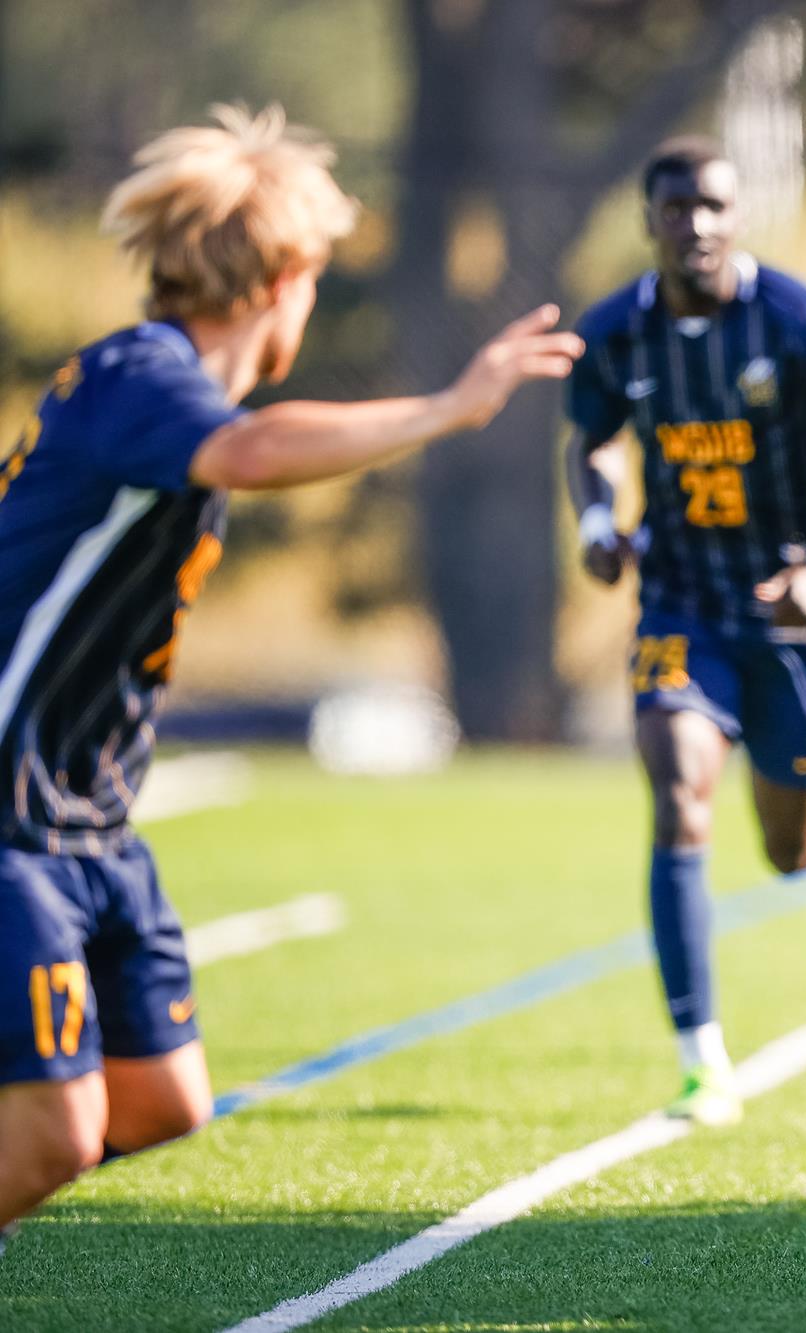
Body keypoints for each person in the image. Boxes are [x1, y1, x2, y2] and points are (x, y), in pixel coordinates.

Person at [0, 104, 582, 1243]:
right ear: (283, 278)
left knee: (161, 1100)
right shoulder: (140, 378)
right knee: (55, 1135)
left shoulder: (164, 398)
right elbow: (256, 451)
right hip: (10, 814)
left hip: (90, 818)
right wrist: (451, 407)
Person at [563, 136, 806, 1129]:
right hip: (682, 600)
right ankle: (700, 1058)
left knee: (792, 853)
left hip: (791, 611)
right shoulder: (616, 336)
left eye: (716, 206)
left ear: (738, 215)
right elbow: (587, 439)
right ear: (650, 220)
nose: (698, 224)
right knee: (678, 792)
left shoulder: (795, 318)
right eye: (677, 207)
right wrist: (598, 522)